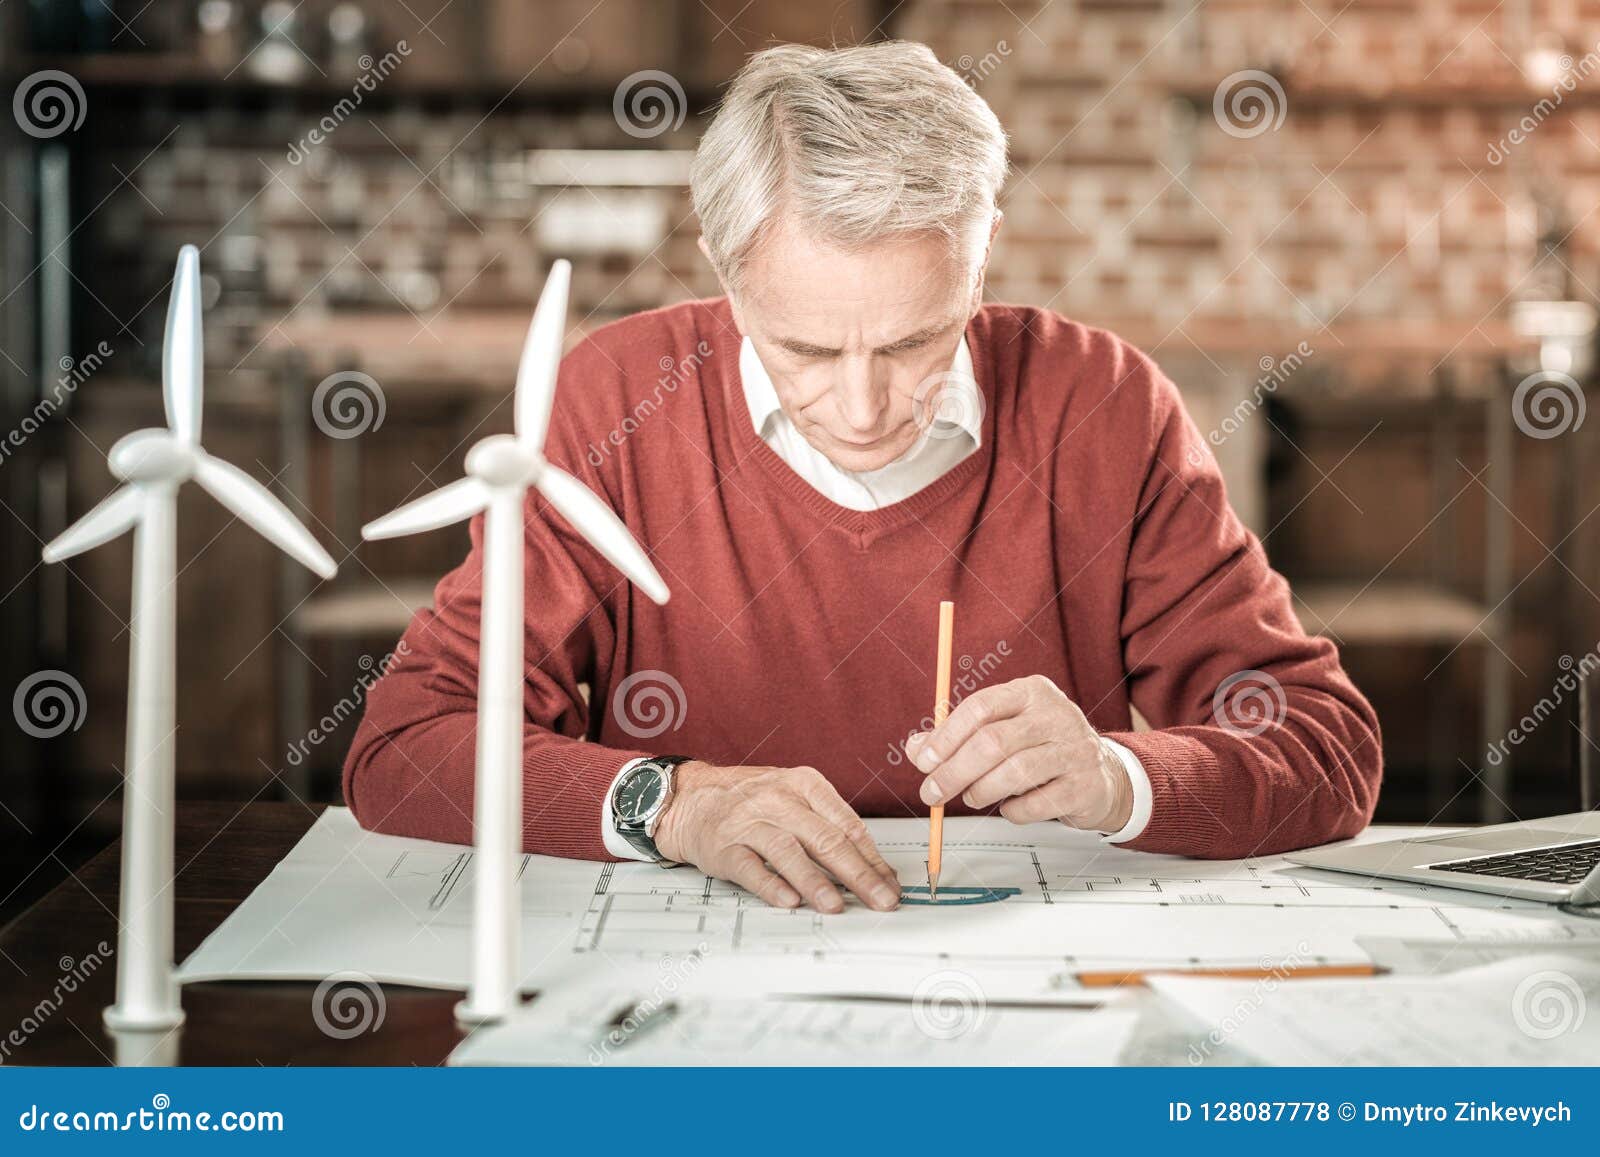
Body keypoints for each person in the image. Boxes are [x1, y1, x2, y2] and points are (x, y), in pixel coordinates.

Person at [343, 41, 1381, 916]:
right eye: (801, 348)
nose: (864, 406)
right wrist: (669, 803)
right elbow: (408, 745)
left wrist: (1121, 776)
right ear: (724, 268)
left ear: (980, 265)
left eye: (915, 341)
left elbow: (1327, 746)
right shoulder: (613, 397)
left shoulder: (1100, 402)